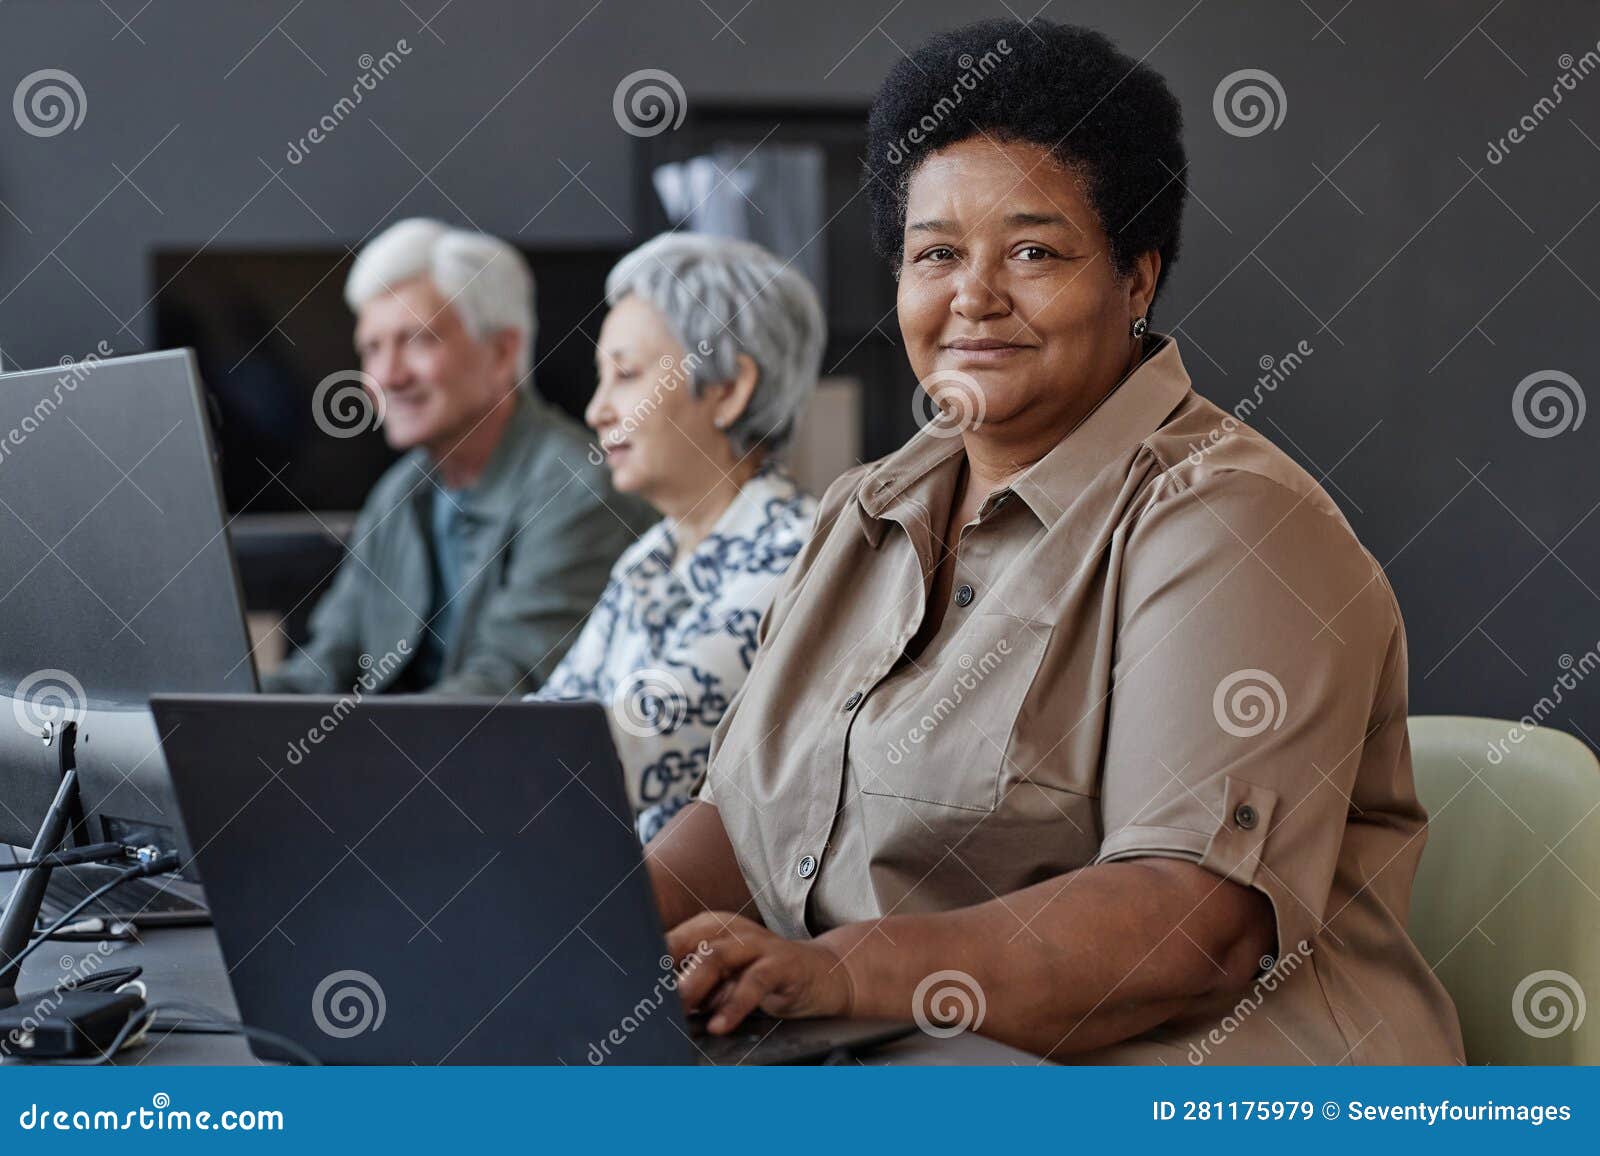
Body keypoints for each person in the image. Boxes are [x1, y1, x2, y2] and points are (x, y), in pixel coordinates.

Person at [645, 19, 1465, 1064]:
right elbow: (741, 826)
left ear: (1135, 280)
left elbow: (1186, 926)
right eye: (935, 253)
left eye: (1033, 251)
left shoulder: (1232, 523)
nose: (972, 297)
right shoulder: (859, 514)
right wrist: (574, 938)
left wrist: (839, 968)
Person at [261, 219, 648, 697]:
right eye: (371, 348)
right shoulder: (399, 492)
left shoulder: (579, 489)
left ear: (502, 353)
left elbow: (504, 688)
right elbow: (326, 662)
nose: (388, 375)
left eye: (418, 340)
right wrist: (214, 714)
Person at [532, 233, 824, 842]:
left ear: (727, 390)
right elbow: (548, 725)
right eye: (600, 378)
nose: (596, 410)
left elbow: (616, 752)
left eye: (627, 375)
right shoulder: (648, 558)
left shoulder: (796, 556)